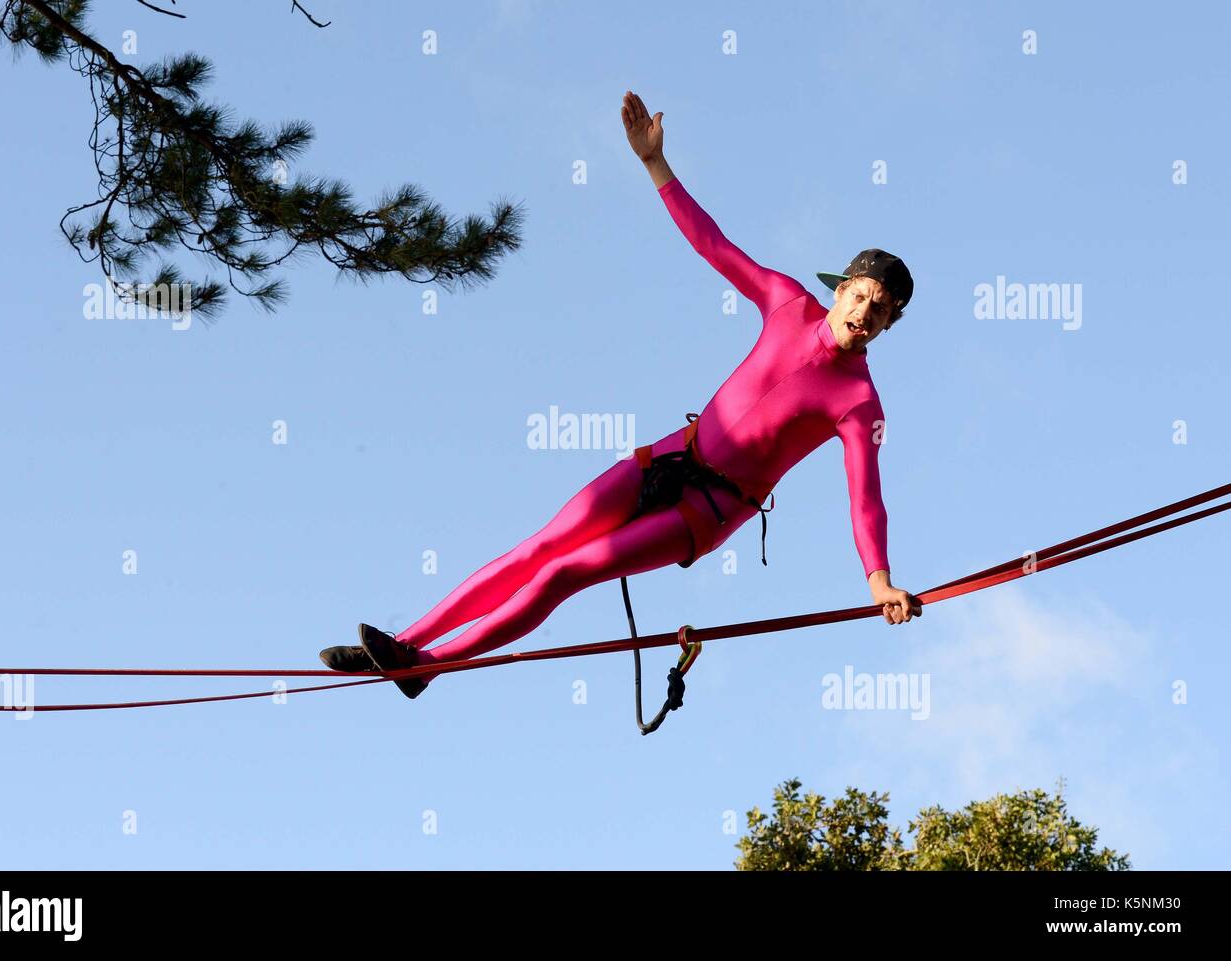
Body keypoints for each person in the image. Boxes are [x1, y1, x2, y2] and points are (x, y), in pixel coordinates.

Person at [320, 90, 921, 699]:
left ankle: (429, 666)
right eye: (863, 295)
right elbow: (713, 244)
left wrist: (880, 582)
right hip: (667, 458)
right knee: (543, 545)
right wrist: (655, 164)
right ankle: (404, 648)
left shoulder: (859, 403)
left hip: (705, 510)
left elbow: (866, 499)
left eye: (882, 311)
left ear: (888, 326)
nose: (866, 313)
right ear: (842, 288)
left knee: (564, 571)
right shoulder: (787, 302)